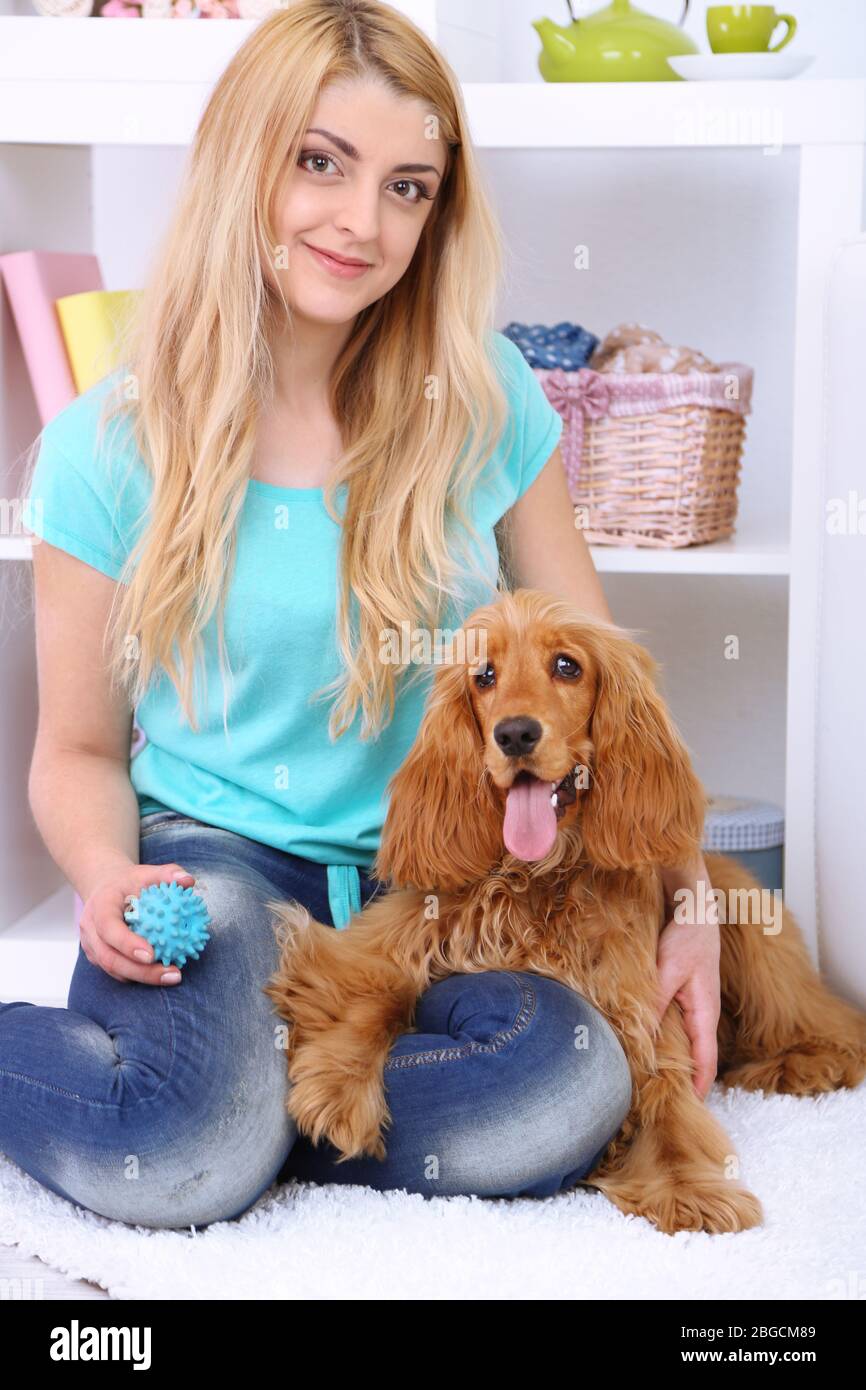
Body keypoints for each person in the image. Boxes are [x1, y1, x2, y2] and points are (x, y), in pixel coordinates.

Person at [2, 0, 719, 1230]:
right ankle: (206, 1119)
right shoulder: (100, 449)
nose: (361, 223)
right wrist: (109, 871)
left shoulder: (482, 395)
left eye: (408, 186)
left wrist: (690, 897)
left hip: (447, 883)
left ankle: (238, 1114)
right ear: (245, 160)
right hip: (220, 861)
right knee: (174, 1153)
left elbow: (599, 684)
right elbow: (72, 749)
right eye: (319, 164)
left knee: (570, 1084)